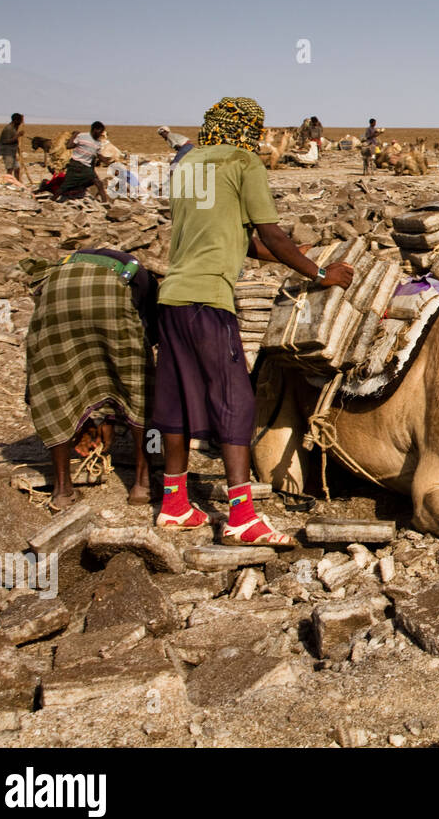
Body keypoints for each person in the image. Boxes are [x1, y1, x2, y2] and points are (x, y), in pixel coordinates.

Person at [150, 97, 354, 546]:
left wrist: (295, 263)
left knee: (177, 401)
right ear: (248, 129)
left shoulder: (186, 166)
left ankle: (174, 505)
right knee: (235, 399)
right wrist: (320, 273)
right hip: (208, 300)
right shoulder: (243, 161)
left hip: (173, 298)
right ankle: (241, 516)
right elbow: (271, 233)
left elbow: (238, 240)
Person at [24, 248, 159, 509]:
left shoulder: (65, 265)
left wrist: (104, 417)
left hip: (56, 293)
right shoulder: (144, 281)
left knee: (58, 382)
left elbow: (89, 364)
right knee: (138, 387)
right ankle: (143, 484)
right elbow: (148, 340)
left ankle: (62, 491)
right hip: (113, 291)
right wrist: (115, 410)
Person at [58, 121, 111, 202]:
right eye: (100, 131)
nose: (101, 133)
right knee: (65, 187)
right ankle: (51, 202)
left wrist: (110, 164)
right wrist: (74, 136)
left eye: (102, 131)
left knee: (99, 184)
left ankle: (105, 204)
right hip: (75, 165)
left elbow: (99, 155)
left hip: (86, 167)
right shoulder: (82, 136)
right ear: (94, 129)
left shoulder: (98, 143)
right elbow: (69, 146)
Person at [0, 113, 25, 181]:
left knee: (17, 168)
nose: (20, 123)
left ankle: (17, 182)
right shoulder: (8, 129)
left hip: (12, 152)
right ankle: (9, 182)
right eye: (19, 121)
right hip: (7, 152)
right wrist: (17, 135)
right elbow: (5, 141)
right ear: (15, 120)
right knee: (10, 168)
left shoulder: (14, 128)